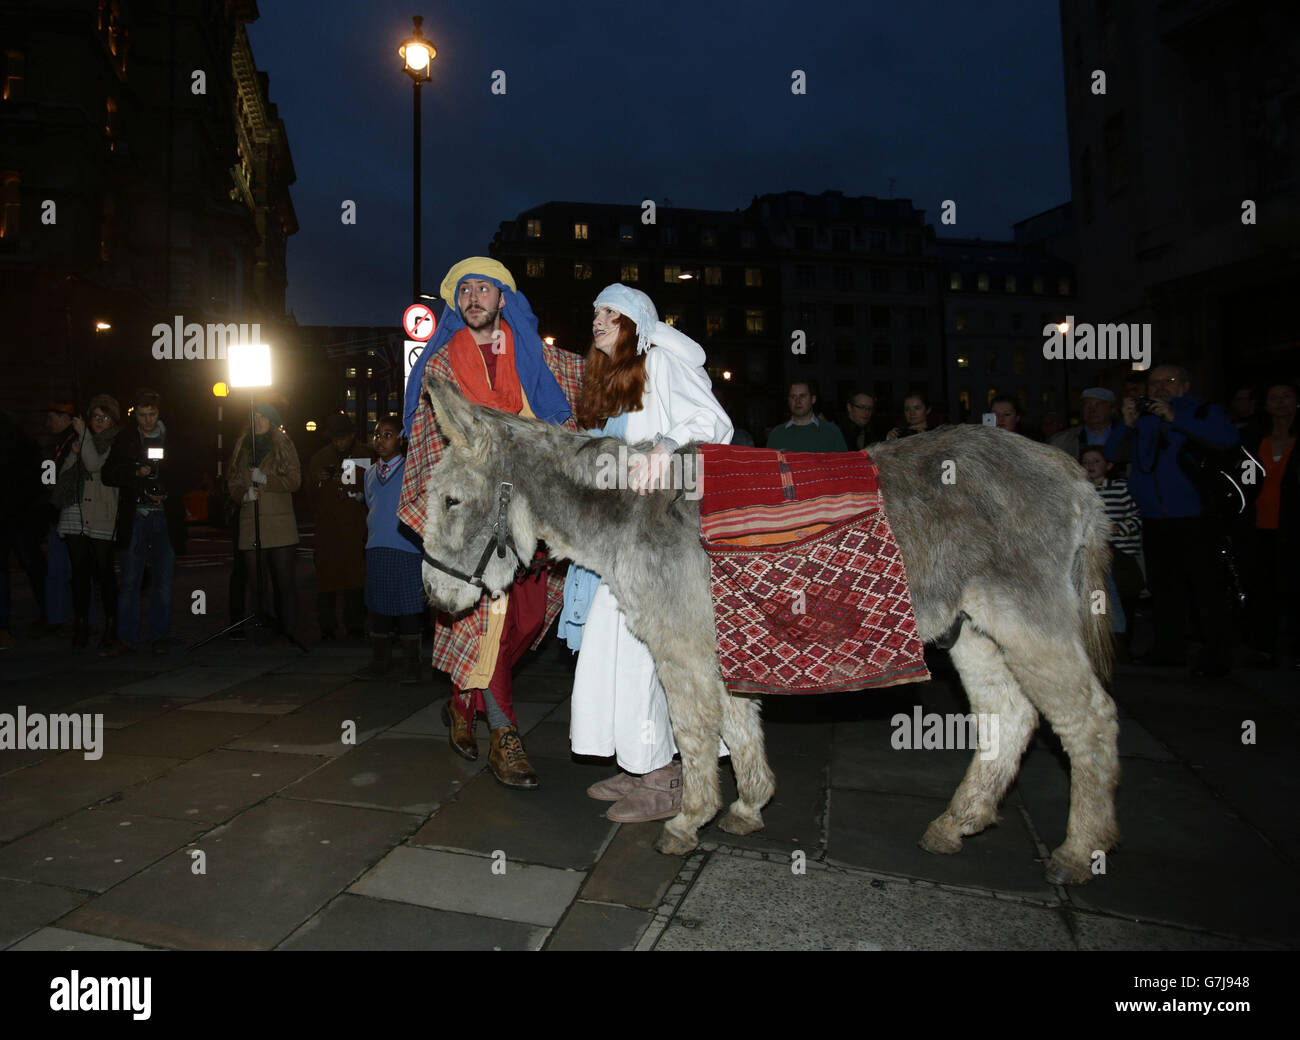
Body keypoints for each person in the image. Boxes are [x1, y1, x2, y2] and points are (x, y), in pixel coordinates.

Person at [399, 256, 584, 790]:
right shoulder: (440, 368)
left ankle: (462, 700)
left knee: (527, 624)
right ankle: (506, 736)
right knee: (489, 625)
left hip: (537, 520)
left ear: (503, 299)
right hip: (482, 526)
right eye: (464, 291)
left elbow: (602, 384)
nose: (473, 297)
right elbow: (429, 447)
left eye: (484, 288)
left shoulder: (544, 361)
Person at [556, 285, 733, 823]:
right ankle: (640, 763)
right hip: (620, 543)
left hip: (658, 544)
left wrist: (664, 448)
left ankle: (664, 777)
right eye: (595, 311)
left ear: (637, 323)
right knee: (611, 653)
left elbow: (715, 425)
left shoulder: (660, 364)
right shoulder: (612, 381)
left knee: (641, 658)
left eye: (611, 312)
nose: (598, 319)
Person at [1106, 363, 1239, 676]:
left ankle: (1216, 654)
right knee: (1164, 587)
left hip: (1195, 517)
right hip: (1155, 518)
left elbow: (1228, 440)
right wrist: (1126, 424)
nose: (1160, 387)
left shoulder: (1203, 411)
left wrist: (1175, 417)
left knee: (1206, 588)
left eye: (1169, 381)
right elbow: (1113, 453)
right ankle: (1169, 649)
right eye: (1154, 383)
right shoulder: (1143, 420)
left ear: (1186, 385)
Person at [102, 389, 188, 654]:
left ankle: (159, 635)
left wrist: (167, 490)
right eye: (143, 415)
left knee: (163, 579)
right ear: (135, 414)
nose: (148, 420)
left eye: (152, 414)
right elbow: (109, 474)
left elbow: (191, 472)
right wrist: (134, 472)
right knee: (130, 580)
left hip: (165, 516)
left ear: (159, 412)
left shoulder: (174, 438)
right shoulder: (126, 439)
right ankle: (126, 638)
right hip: (136, 517)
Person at [354, 415, 425, 683]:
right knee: (378, 609)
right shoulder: (370, 473)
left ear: (401, 438)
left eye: (387, 434)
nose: (380, 440)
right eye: (376, 434)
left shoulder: (411, 470)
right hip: (377, 547)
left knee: (408, 609)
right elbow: (371, 504)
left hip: (406, 547)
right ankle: (379, 662)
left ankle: (412, 665)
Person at [227, 402, 302, 645]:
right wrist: (243, 494)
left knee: (284, 581)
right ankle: (264, 627)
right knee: (256, 582)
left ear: (271, 420)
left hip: (279, 524)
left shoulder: (284, 445)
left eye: (262, 416)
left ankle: (289, 629)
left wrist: (265, 479)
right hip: (251, 522)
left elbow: (294, 481)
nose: (257, 420)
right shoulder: (242, 448)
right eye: (254, 416)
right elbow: (233, 483)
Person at [53, 395, 123, 652]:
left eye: (104, 417)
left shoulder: (115, 442)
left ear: (113, 420)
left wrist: (82, 437)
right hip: (75, 510)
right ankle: (81, 623)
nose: (98, 422)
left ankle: (111, 625)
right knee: (79, 572)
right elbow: (63, 476)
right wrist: (73, 453)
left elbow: (94, 464)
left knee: (105, 572)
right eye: (95, 417)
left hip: (102, 512)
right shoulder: (81, 441)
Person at [1243, 380, 1298, 668]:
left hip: (1292, 526)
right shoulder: (1254, 440)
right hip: (1259, 525)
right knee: (1261, 588)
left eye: (1286, 396)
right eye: (1273, 397)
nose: (1279, 403)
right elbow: (1244, 482)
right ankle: (1261, 647)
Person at [306, 413, 367, 641]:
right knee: (327, 581)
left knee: (356, 580)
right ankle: (327, 626)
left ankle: (355, 625)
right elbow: (308, 495)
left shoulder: (365, 454)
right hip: (328, 530)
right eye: (335, 438)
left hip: (356, 528)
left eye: (343, 438)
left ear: (352, 435)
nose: (339, 442)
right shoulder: (319, 459)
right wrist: (318, 481)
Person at [1081, 446, 1144, 654]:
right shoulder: (1081, 491)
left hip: (1120, 551)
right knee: (1098, 592)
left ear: (1109, 465)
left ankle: (1120, 636)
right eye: (1086, 462)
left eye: (1096, 461)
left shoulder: (1120, 488)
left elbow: (1136, 515)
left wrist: (1120, 527)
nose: (1090, 466)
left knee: (1122, 594)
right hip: (1093, 552)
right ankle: (1101, 634)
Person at [0, 411, 49, 650]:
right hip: (19, 517)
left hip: (17, 516)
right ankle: (48, 613)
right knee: (33, 568)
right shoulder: (22, 442)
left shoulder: (17, 444)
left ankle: (5, 627)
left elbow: (35, 482)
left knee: (30, 567)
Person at [36, 401, 79, 636]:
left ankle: (63, 617)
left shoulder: (69, 443)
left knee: (66, 567)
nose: (48, 423)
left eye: (52, 418)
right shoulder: (58, 443)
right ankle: (63, 617)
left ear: (65, 418)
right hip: (60, 511)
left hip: (66, 511)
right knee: (63, 567)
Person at [766, 380, 847, 452]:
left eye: (802, 396)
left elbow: (844, 466)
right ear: (788, 401)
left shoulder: (831, 432)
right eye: (793, 396)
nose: (797, 401)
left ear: (813, 399)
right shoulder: (777, 434)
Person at [1051, 387, 1122, 461]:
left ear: (1112, 409)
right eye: (1087, 405)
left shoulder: (1127, 435)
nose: (1092, 410)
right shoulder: (1063, 440)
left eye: (1098, 404)